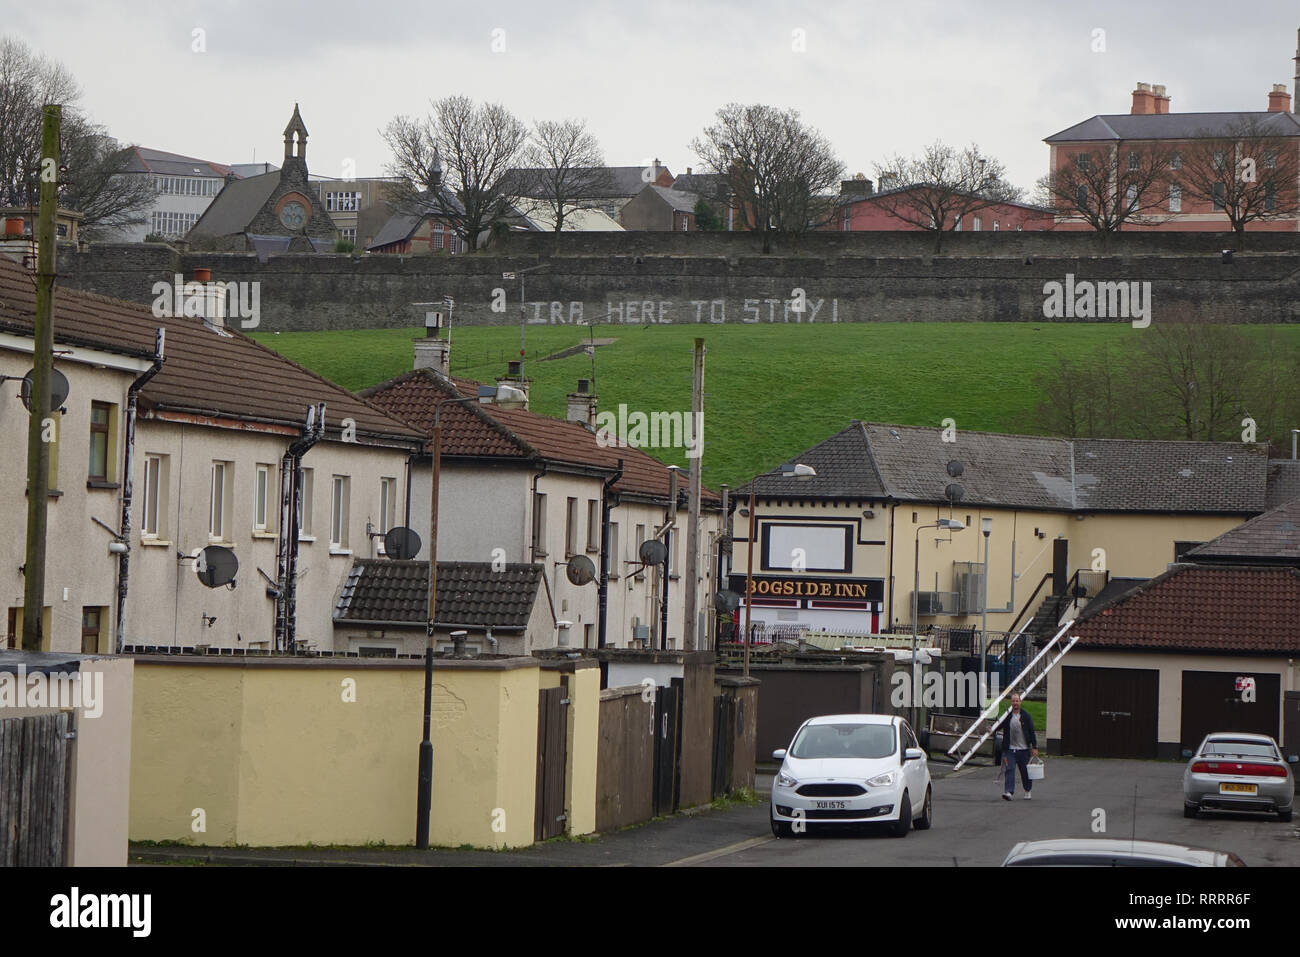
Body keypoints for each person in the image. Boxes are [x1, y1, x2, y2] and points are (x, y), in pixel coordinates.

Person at [1001, 693, 1038, 800]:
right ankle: (1008, 792)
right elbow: (998, 726)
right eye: (1013, 701)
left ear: (1020, 702)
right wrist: (990, 729)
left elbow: (1031, 732)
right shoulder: (1007, 716)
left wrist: (1034, 747)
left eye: (1017, 701)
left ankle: (1027, 790)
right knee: (1010, 770)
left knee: (1025, 772)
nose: (1015, 703)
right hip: (1010, 750)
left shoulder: (1026, 716)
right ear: (1011, 703)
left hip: (1024, 750)